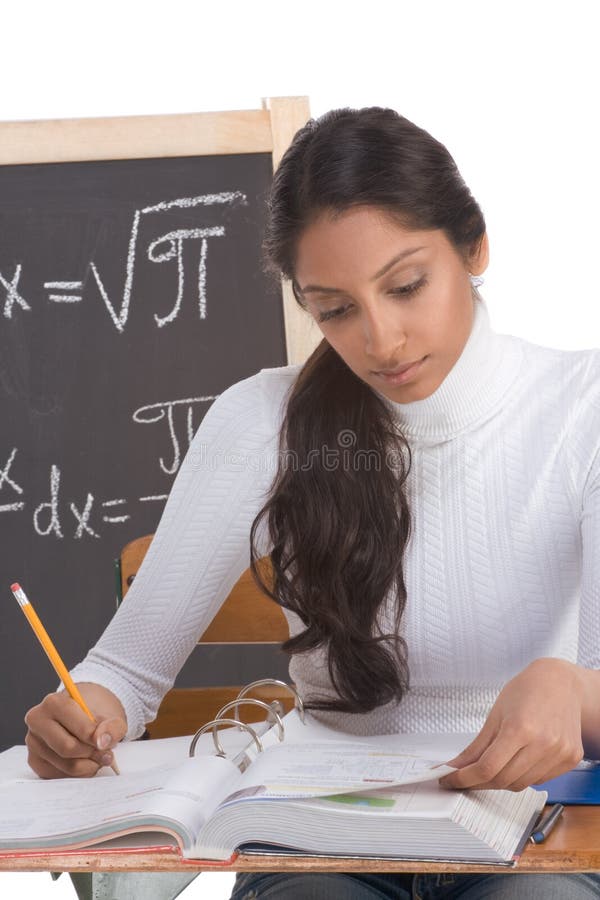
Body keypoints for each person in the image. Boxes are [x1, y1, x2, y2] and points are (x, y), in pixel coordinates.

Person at [24, 108, 600, 899]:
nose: (382, 341)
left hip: (530, 829)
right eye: (335, 309)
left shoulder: (582, 408)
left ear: (475, 247)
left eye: (406, 286)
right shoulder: (262, 421)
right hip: (319, 832)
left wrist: (575, 688)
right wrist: (82, 714)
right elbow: (125, 671)